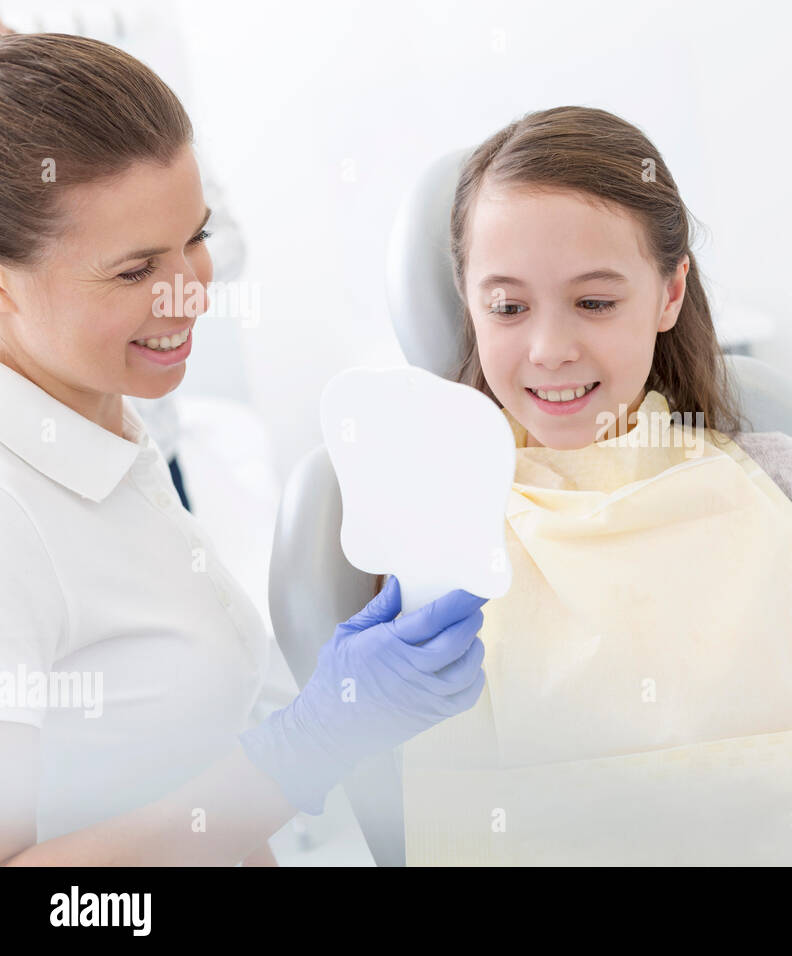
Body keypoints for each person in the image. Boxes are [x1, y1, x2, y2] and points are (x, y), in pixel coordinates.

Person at [404, 105, 792, 865]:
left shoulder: (786, 483)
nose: (550, 348)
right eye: (507, 307)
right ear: (469, 302)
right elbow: (453, 819)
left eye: (595, 301)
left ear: (668, 293)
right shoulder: (441, 540)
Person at [0, 32, 486, 865]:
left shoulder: (94, 416)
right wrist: (305, 749)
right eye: (132, 272)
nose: (190, 290)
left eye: (196, 235)